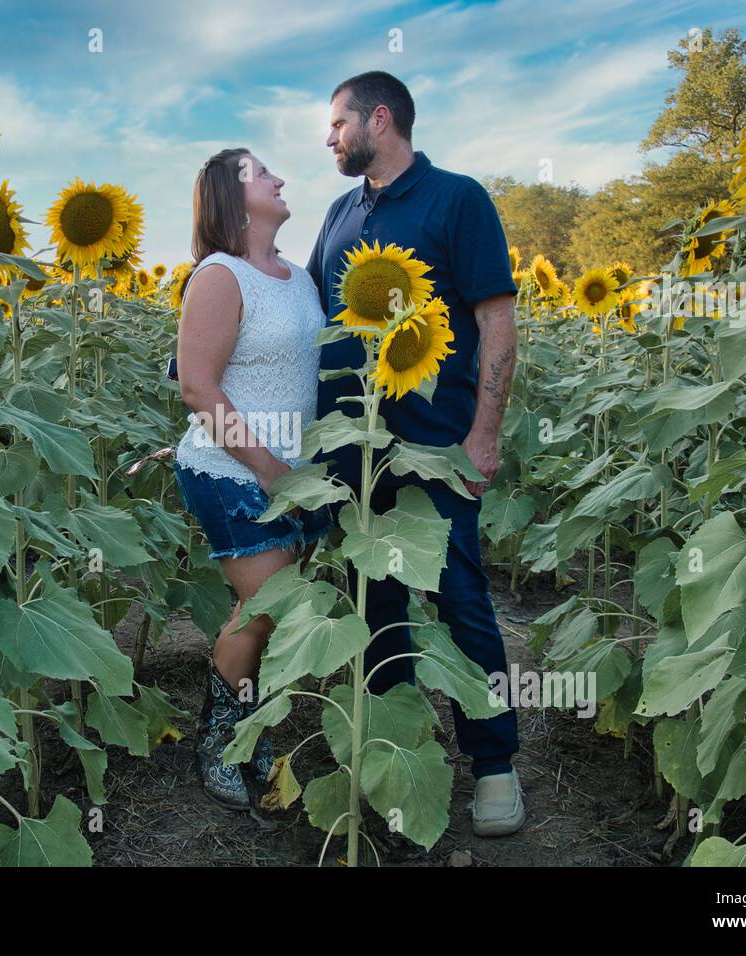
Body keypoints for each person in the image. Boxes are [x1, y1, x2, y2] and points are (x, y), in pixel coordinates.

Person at [306, 71, 526, 836]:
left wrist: (484, 432)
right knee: (378, 605)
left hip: (435, 444)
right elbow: (315, 319)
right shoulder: (339, 213)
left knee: (458, 593)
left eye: (337, 123)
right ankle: (396, 748)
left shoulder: (458, 198)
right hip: (352, 449)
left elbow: (496, 319)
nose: (329, 138)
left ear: (381, 117)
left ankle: (494, 761)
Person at [174, 147, 331, 811]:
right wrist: (268, 469)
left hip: (295, 474)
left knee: (272, 613)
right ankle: (220, 739)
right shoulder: (218, 275)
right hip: (231, 469)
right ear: (232, 197)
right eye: (262, 172)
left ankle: (250, 728)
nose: (280, 178)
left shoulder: (298, 278)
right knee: (266, 609)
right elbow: (197, 387)